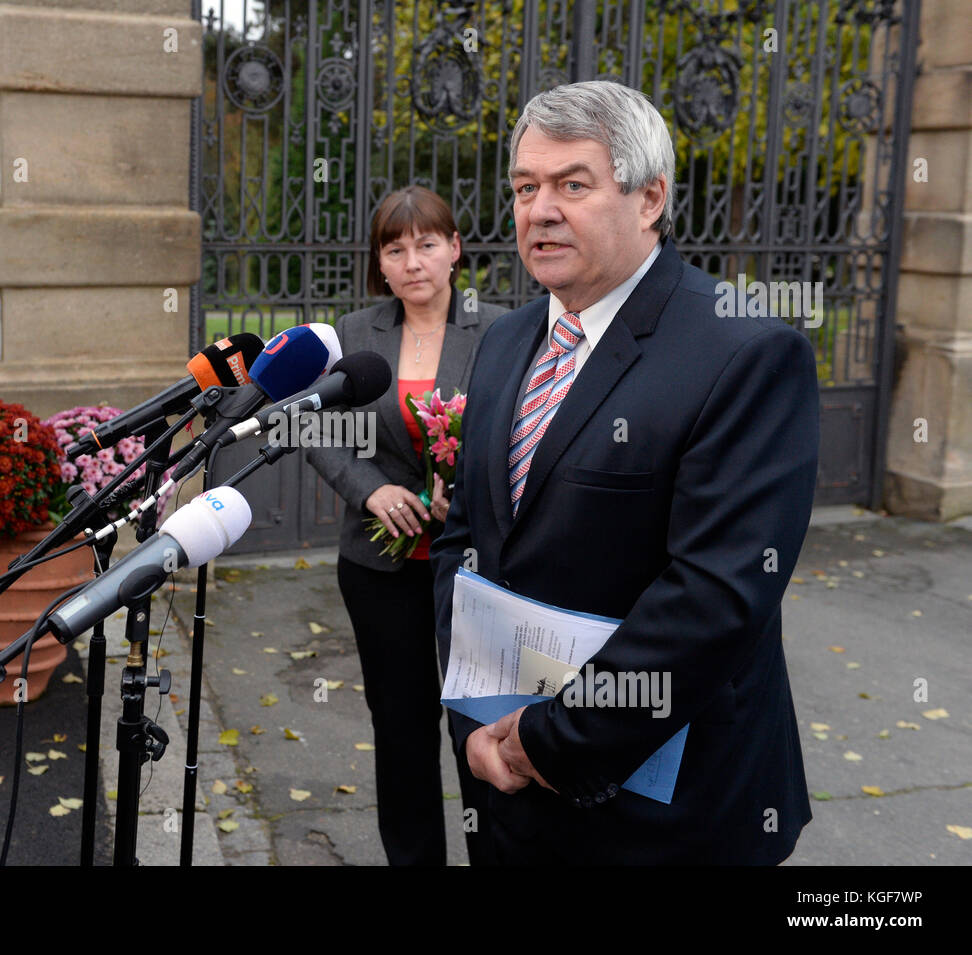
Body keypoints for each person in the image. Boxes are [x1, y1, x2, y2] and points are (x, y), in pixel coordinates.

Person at [429, 80, 819, 864]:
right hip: (505, 791)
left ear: (650, 200)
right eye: (525, 187)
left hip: (666, 814)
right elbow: (464, 539)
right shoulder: (504, 341)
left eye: (574, 184)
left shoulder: (744, 352)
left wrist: (550, 741)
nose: (540, 209)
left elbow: (713, 598)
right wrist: (475, 721)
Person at [306, 186, 507, 865]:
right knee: (401, 727)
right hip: (379, 567)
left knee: (483, 724)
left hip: (479, 568)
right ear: (380, 264)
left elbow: (530, 435)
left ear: (455, 248)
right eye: (396, 249)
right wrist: (373, 490)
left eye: (427, 243)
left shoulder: (506, 329)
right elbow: (318, 428)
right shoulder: (356, 336)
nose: (413, 260)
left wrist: (473, 498)